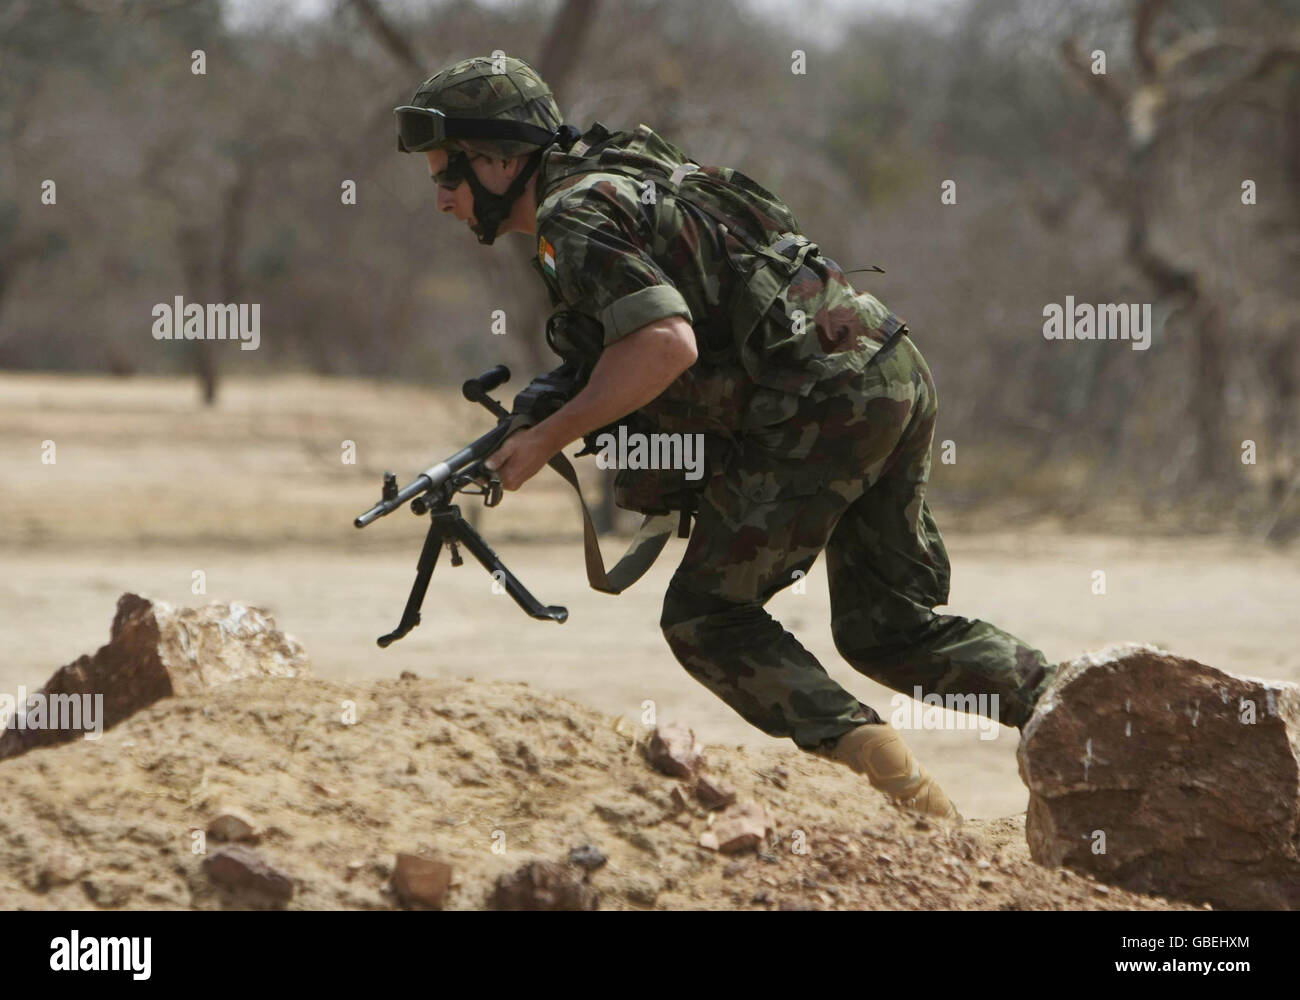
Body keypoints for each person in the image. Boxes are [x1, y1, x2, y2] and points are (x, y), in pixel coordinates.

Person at [394, 56, 1059, 821]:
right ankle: (1073, 706)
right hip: (886, 370)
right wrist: (544, 410)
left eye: (449, 176)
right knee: (889, 627)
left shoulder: (570, 218)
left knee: (708, 618)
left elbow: (665, 345)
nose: (442, 200)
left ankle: (903, 794)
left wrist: (548, 439)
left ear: (501, 160)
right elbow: (654, 328)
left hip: (819, 407)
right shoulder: (628, 167)